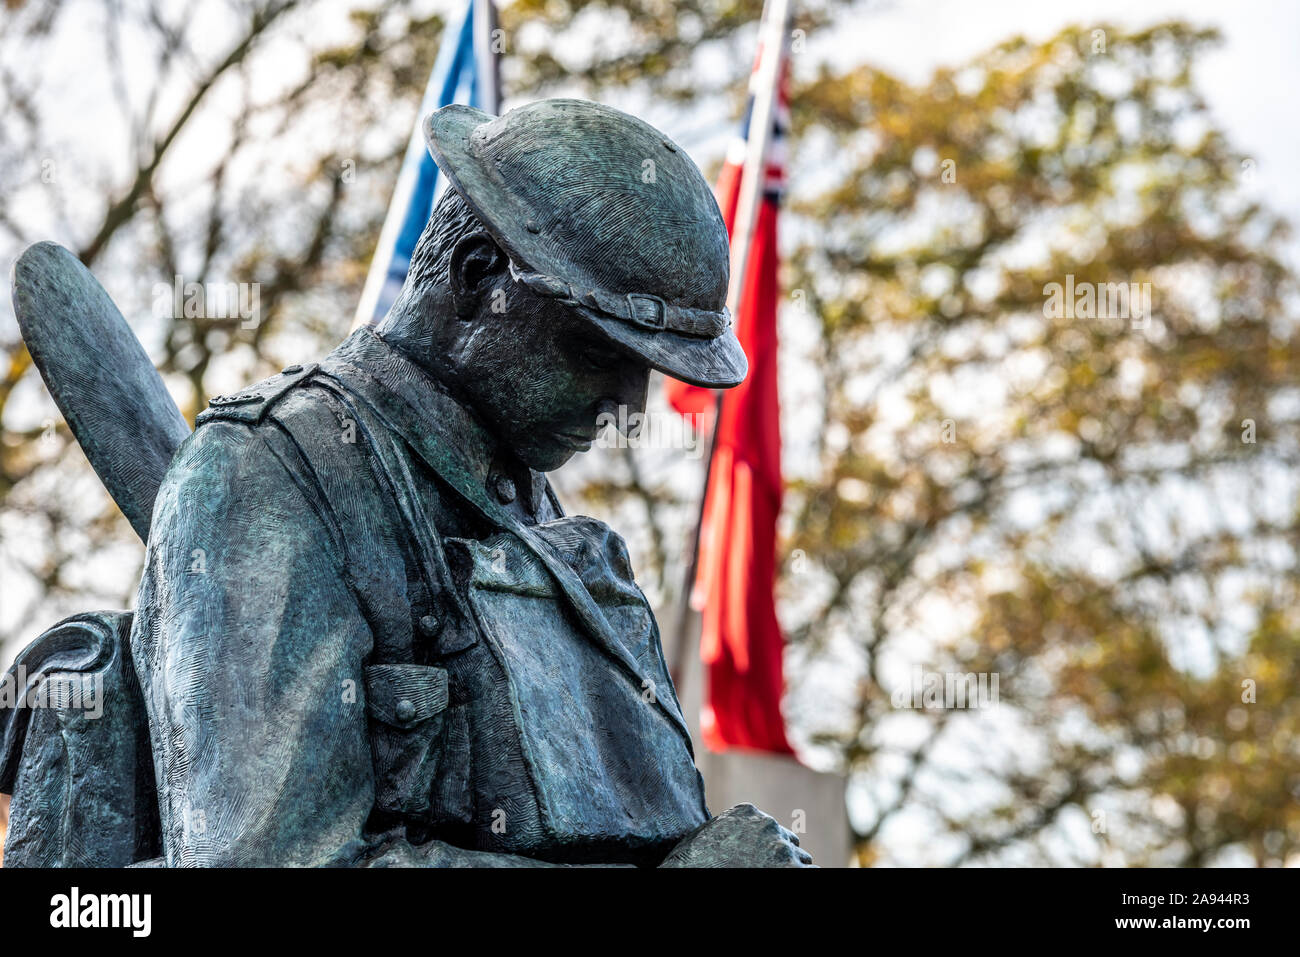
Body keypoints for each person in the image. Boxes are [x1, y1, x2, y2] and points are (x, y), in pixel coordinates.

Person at [131, 98, 813, 867]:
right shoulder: (265, 473)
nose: (629, 406)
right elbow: (268, 862)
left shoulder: (531, 511)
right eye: (597, 353)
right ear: (478, 275)